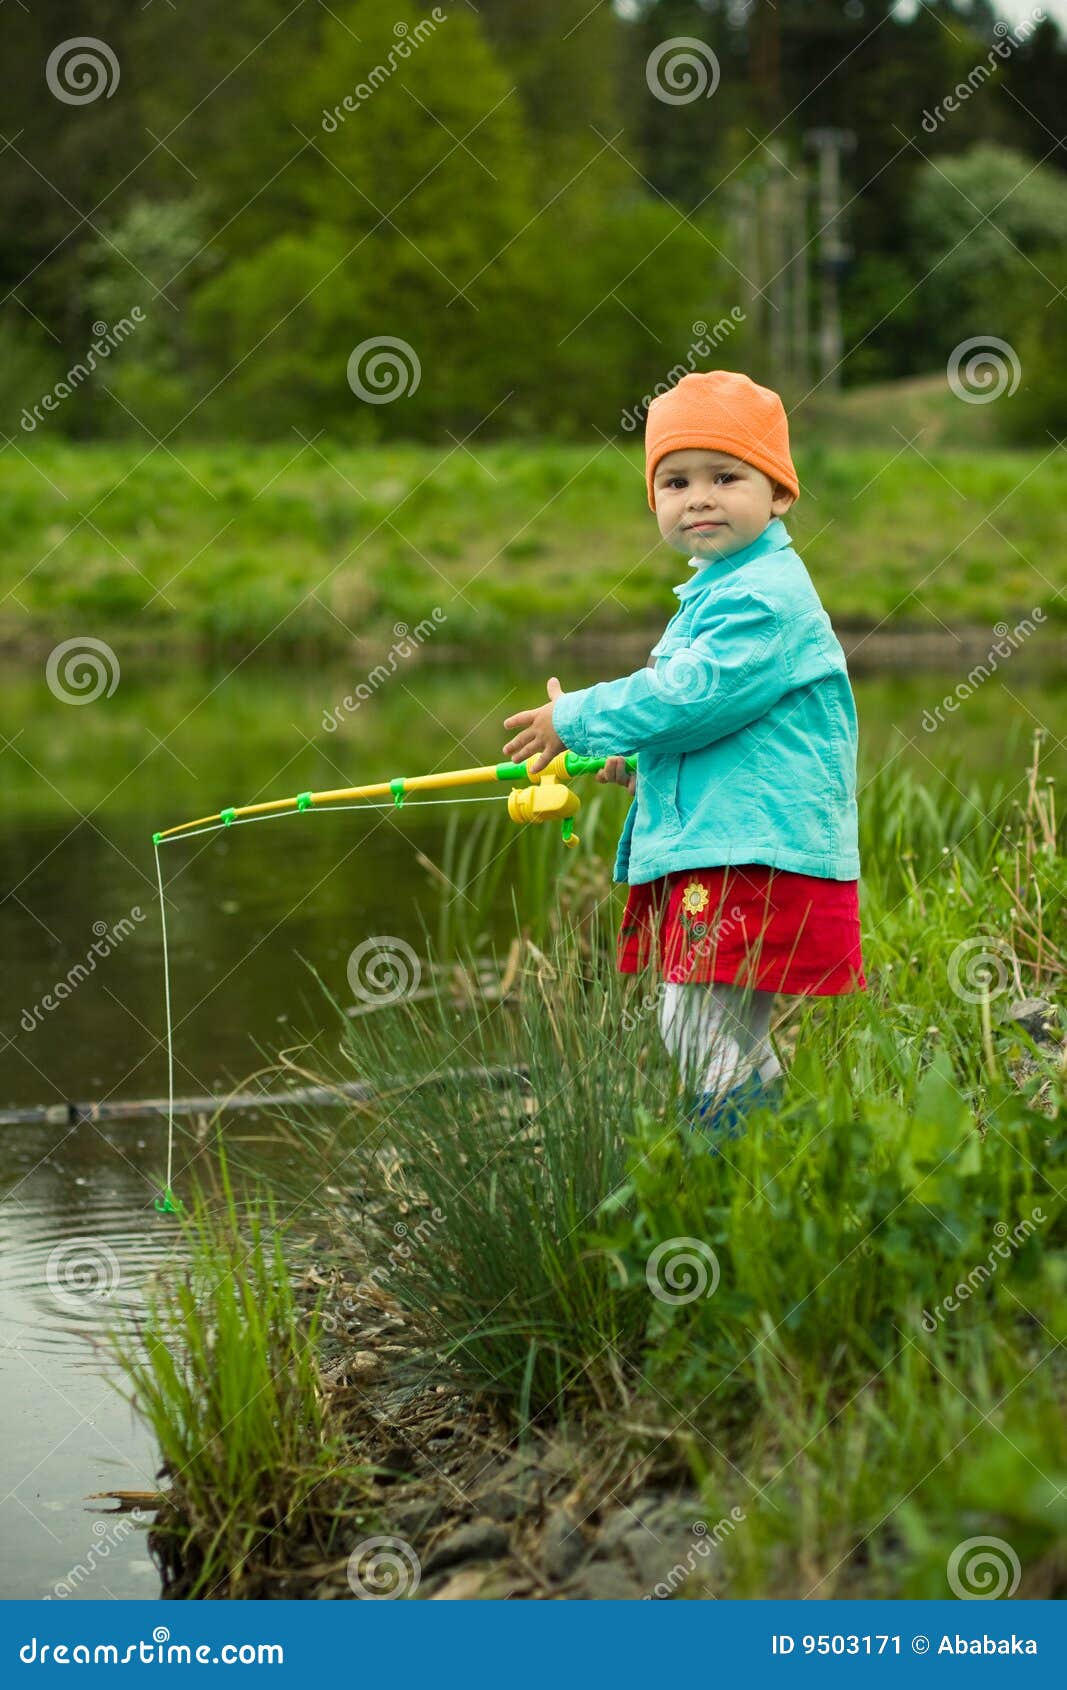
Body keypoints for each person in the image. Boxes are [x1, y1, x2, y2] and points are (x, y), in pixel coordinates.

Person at [502, 369, 865, 1142]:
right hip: (744, 839)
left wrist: (579, 717)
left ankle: (729, 1158)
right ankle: (779, 1157)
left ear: (779, 495)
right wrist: (630, 760)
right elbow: (721, 728)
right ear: (655, 503)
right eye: (674, 481)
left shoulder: (759, 595)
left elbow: (691, 697)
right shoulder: (720, 589)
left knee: (689, 1018)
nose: (697, 497)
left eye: (724, 476)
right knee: (729, 1024)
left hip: (749, 847)